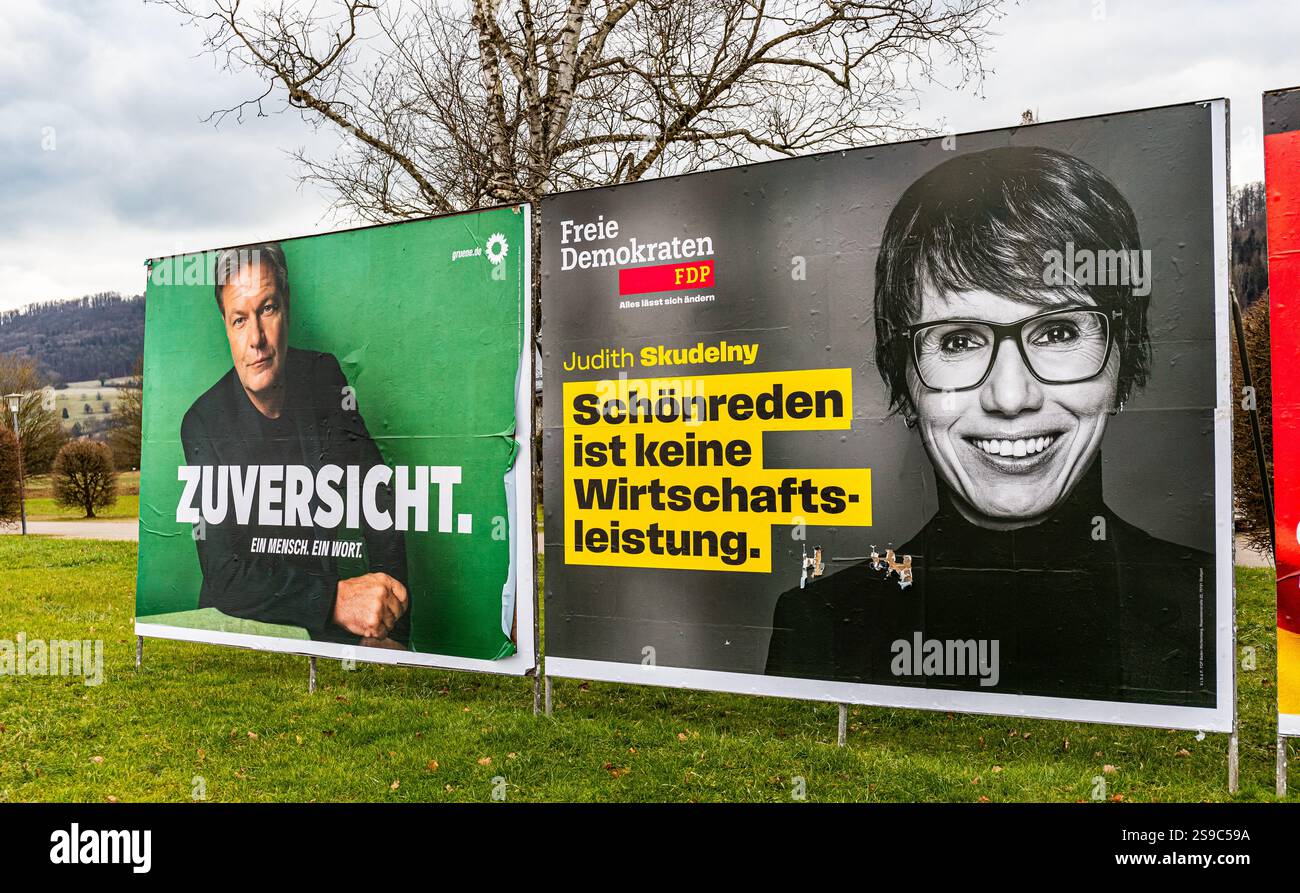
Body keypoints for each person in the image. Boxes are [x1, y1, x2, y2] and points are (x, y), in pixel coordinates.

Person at [765, 147, 1214, 706]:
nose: (1010, 397)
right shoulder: (820, 624)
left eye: (1056, 333)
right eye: (957, 340)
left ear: (1126, 358)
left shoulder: (1209, 605)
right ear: (903, 380)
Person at [180, 242, 411, 648]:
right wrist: (336, 600)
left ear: (287, 304)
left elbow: (380, 496)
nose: (256, 339)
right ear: (225, 325)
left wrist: (390, 625)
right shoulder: (202, 423)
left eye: (267, 309)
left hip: (322, 627)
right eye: (238, 320)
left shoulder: (323, 377)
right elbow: (226, 576)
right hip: (241, 630)